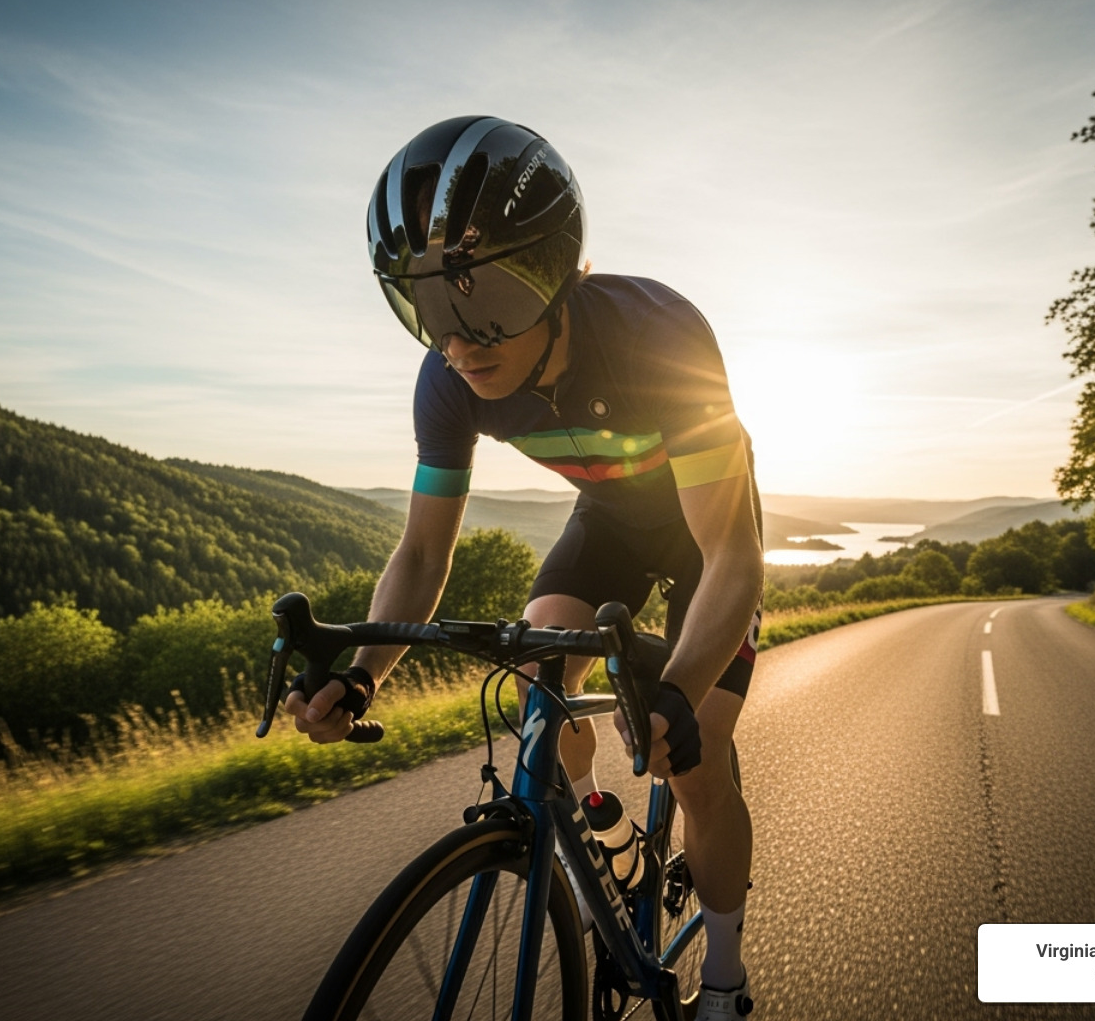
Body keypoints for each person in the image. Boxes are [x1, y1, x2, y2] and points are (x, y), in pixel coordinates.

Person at [287, 116, 763, 1020]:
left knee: (696, 762)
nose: (462, 343)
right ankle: (589, 814)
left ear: (558, 273)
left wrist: (678, 696)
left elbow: (731, 553)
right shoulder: (447, 383)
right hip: (610, 522)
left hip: (707, 534)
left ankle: (728, 979)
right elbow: (424, 552)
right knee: (539, 674)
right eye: (427, 311)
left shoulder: (659, 338)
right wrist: (358, 677)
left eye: (487, 306)